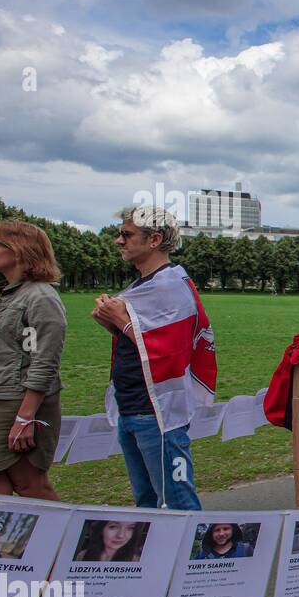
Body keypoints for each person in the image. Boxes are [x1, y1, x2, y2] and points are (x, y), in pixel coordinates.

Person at [91, 206, 215, 511]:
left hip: (158, 413)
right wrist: (113, 321)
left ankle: (191, 557)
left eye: (126, 234)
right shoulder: (140, 288)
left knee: (178, 501)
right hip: (130, 406)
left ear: (154, 239)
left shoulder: (170, 285)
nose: (118, 240)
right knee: (145, 502)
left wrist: (122, 321)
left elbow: (172, 352)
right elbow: (141, 343)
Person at [0, 220, 67, 500]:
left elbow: (44, 360)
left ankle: (67, 541)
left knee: (31, 484)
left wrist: (24, 416)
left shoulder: (40, 298)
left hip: (16, 401)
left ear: (18, 250)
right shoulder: (3, 294)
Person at [74, 520, 147, 562]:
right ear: (101, 528)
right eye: (113, 527)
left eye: (130, 528)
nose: (121, 535)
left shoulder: (135, 560)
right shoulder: (83, 555)